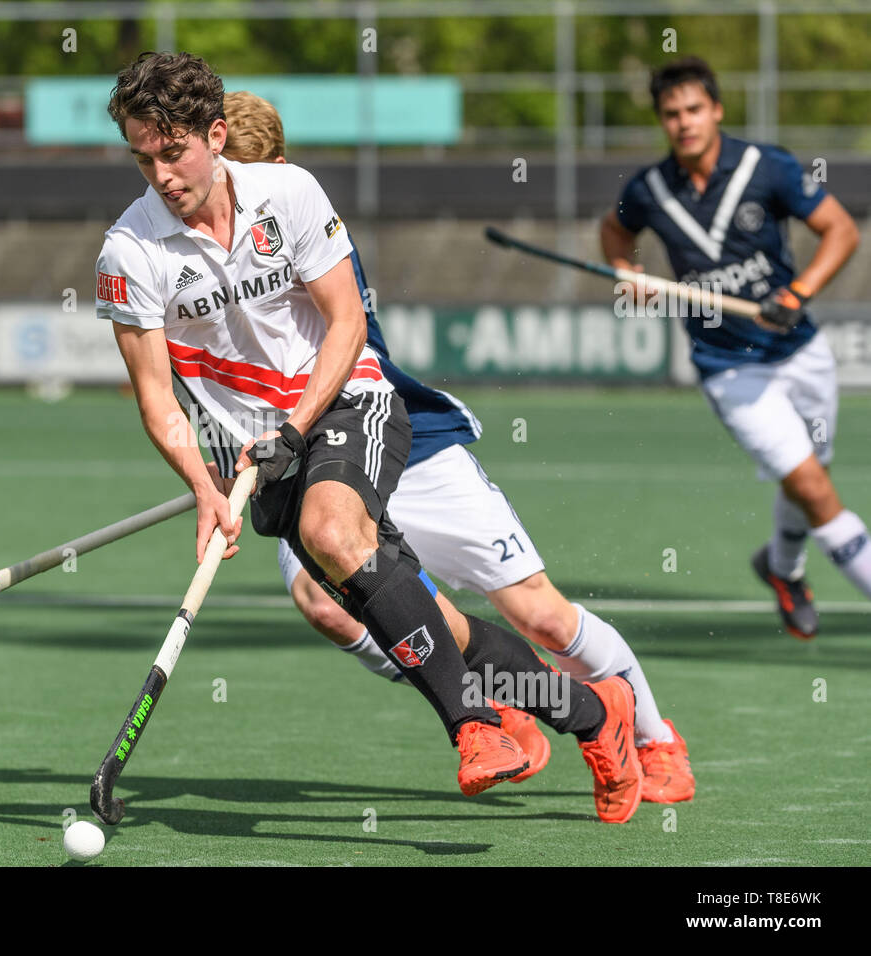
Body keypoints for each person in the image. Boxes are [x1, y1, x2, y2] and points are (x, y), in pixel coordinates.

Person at [95, 52, 642, 822]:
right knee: (435, 625)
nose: (160, 174)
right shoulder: (128, 252)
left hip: (350, 400)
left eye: (173, 151)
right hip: (266, 452)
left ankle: (475, 729)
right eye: (142, 156)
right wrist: (204, 490)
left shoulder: (286, 194)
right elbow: (157, 400)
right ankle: (595, 714)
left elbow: (348, 323)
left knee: (330, 529)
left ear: (216, 136)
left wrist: (292, 425)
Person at [221, 90, 695, 805]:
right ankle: (493, 705)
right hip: (301, 467)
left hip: (395, 442)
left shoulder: (300, 225)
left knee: (538, 614)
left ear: (280, 174)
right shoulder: (187, 247)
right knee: (330, 605)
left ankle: (654, 737)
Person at [600, 57, 862, 641]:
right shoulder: (648, 191)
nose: (684, 122)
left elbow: (841, 231)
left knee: (809, 476)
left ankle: (782, 569)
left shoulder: (767, 168)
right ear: (661, 122)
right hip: (728, 368)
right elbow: (615, 231)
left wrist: (798, 292)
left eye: (694, 109)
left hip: (801, 350)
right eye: (672, 114)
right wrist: (627, 271)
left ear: (716, 110)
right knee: (814, 489)